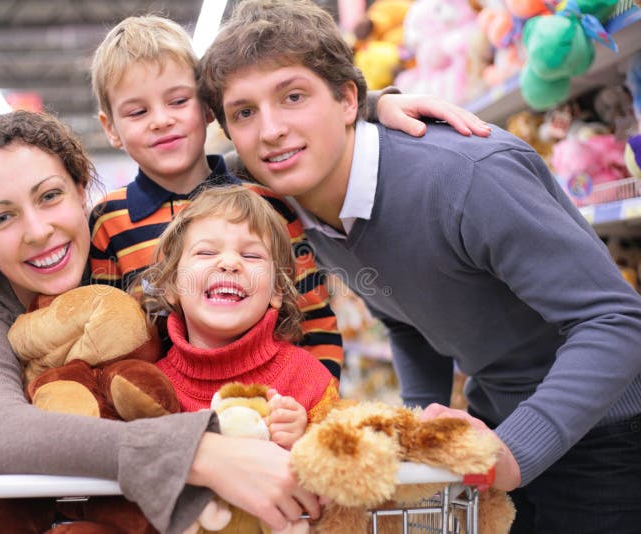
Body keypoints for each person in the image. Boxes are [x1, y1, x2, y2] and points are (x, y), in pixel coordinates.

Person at [198, 1, 641, 533]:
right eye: (244, 112)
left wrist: (517, 449)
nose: (270, 130)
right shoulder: (288, 197)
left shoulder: (468, 177)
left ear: (345, 99)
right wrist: (418, 425)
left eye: (293, 96)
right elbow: (406, 316)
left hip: (608, 432)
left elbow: (616, 321)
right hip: (492, 424)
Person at [0, 110, 322, 534]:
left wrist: (372, 105)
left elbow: (240, 157)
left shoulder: (113, 248)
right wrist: (197, 453)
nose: (38, 230)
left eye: (50, 196)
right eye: (1, 217)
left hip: (82, 501)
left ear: (80, 191)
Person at [87, 14, 492, 381]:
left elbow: (312, 316)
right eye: (137, 112)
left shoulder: (266, 200)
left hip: (275, 410)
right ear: (111, 128)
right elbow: (108, 336)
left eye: (178, 101)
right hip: (170, 421)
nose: (162, 120)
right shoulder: (109, 221)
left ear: (210, 110)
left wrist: (317, 405)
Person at [141, 185, 339, 449]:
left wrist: (306, 436)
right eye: (207, 252)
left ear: (277, 290)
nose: (229, 263)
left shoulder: (307, 378)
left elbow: (341, 463)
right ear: (173, 285)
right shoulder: (150, 388)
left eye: (251, 255)